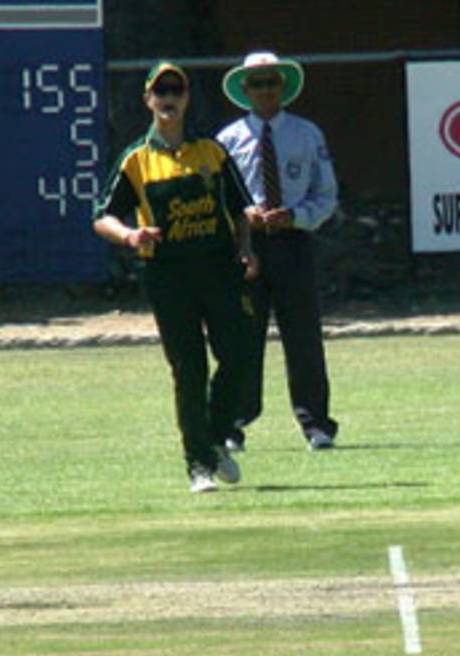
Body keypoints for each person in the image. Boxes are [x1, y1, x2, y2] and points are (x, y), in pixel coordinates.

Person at [94, 61, 259, 493]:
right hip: (168, 275)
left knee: (239, 354)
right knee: (189, 369)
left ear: (187, 99)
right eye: (160, 91)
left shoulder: (212, 152)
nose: (169, 97)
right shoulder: (137, 159)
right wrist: (130, 235)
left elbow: (242, 210)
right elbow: (102, 217)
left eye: (177, 90)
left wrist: (245, 249)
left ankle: (215, 435)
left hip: (219, 269)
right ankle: (198, 464)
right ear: (149, 99)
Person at [217, 51, 340, 452]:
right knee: (241, 335)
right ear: (245, 91)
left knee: (302, 334)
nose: (265, 90)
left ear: (282, 87)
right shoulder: (228, 140)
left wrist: (296, 216)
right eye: (257, 84)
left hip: (292, 242)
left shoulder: (307, 134)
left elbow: (326, 194)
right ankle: (233, 422)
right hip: (246, 245)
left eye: (272, 82)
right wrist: (243, 214)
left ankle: (316, 423)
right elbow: (216, 196)